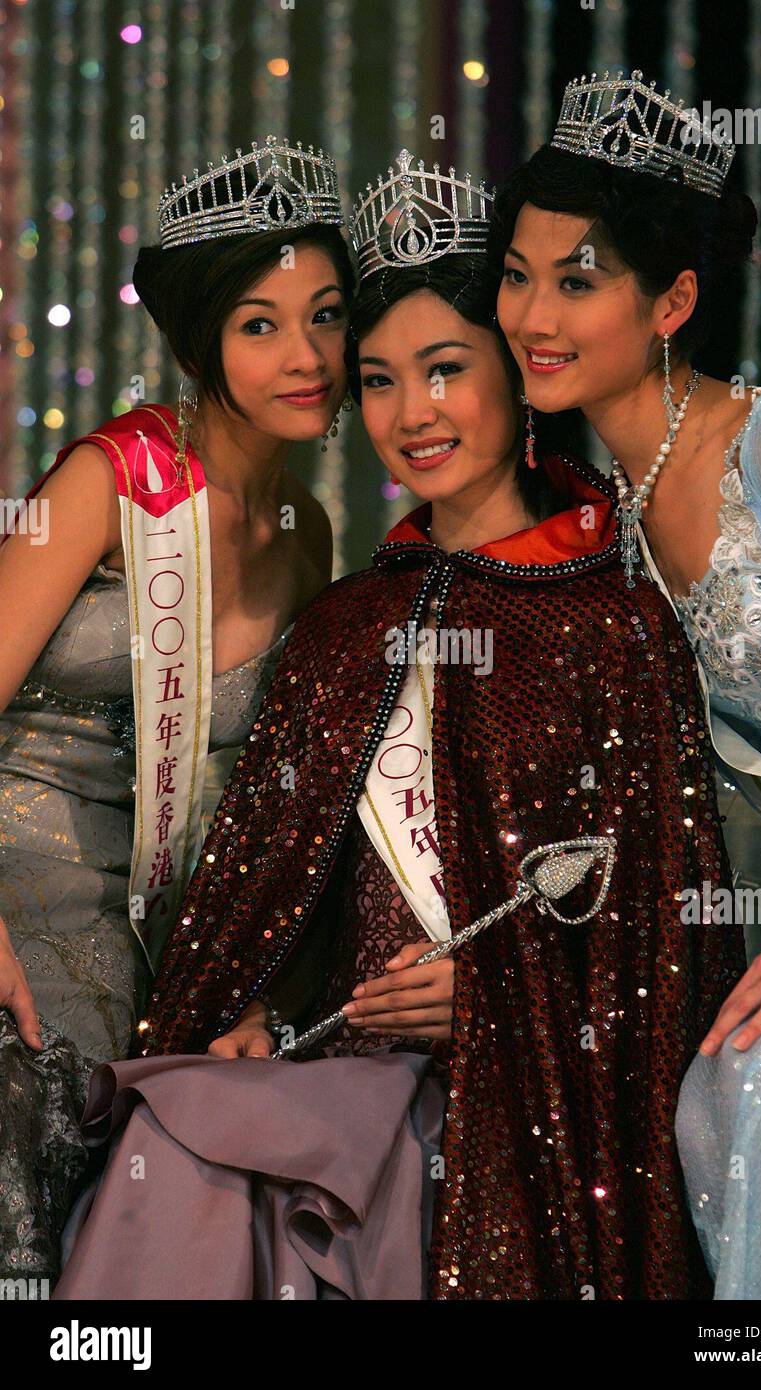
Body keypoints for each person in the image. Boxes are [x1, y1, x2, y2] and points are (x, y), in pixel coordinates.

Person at [53, 152, 742, 1303]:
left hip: (520, 1104)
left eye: (444, 370)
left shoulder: (616, 618)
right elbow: (279, 901)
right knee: (172, 1150)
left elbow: (668, 946)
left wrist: (498, 992)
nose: (411, 412)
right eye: (377, 380)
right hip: (336, 1073)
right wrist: (268, 1008)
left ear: (519, 380)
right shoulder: (344, 622)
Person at [491, 71, 761, 1298]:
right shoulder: (590, 516)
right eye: (516, 273)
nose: (532, 316)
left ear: (676, 300)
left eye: (578, 279)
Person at [0, 136, 352, 1285]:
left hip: (151, 933)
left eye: (328, 315)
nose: (307, 356)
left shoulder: (308, 539)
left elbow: (255, 795)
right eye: (260, 324)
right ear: (200, 338)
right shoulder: (110, 481)